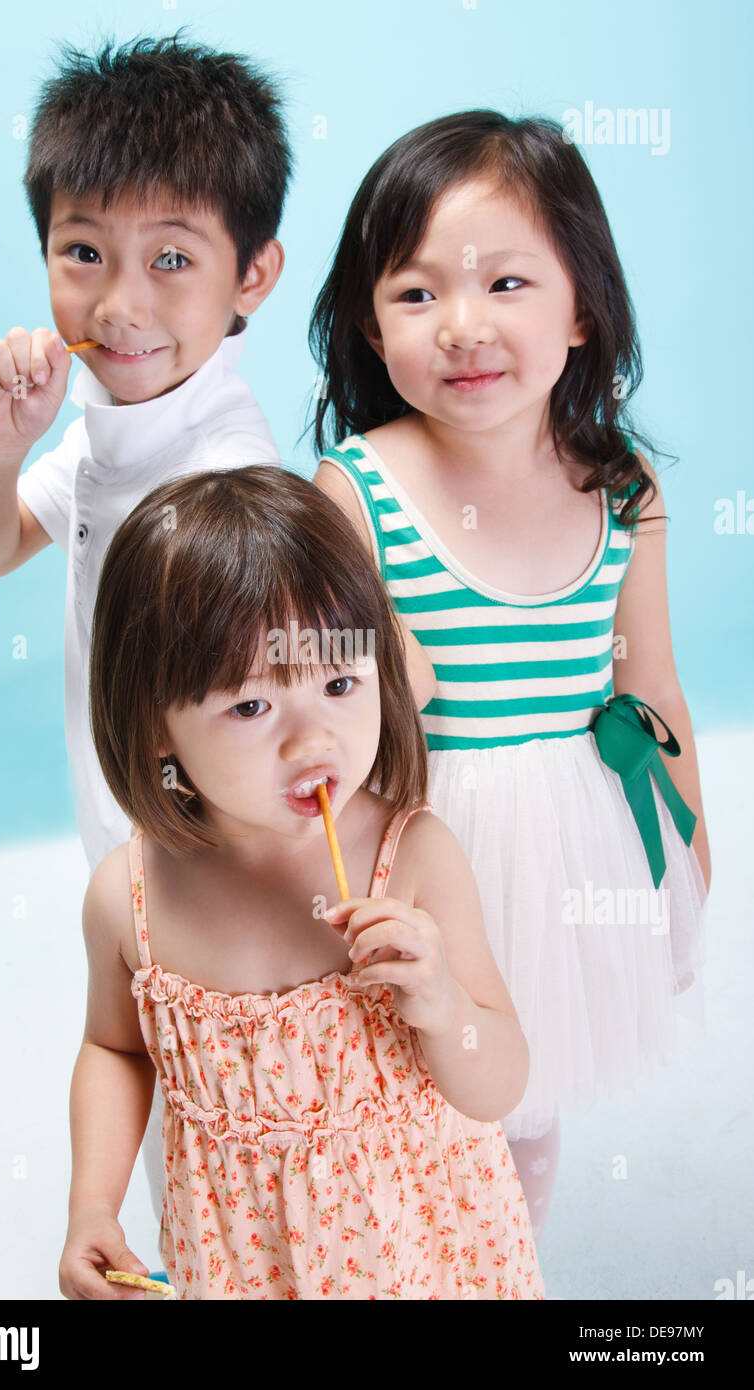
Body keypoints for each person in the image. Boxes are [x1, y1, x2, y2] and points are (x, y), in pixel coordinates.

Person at [309, 110, 710, 1243]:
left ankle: (504, 1267)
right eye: (416, 293)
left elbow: (655, 688)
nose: (462, 325)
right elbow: (336, 716)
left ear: (580, 306)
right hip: (436, 843)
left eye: (506, 283)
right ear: (369, 326)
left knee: (530, 1090)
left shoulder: (619, 488)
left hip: (573, 840)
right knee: (414, 1089)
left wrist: (685, 839)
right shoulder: (358, 489)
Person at [58, 465, 545, 1300]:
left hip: (422, 1255)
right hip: (246, 1267)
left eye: (340, 683)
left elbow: (499, 1083)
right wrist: (91, 1205)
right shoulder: (130, 900)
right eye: (250, 707)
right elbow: (113, 1048)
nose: (312, 737)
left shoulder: (414, 856)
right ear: (153, 727)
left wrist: (444, 1008)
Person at [0, 32, 291, 873]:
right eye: (84, 253)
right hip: (123, 848)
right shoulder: (103, 426)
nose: (119, 305)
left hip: (203, 867)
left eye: (172, 259)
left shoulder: (229, 481)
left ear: (252, 276)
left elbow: (259, 723)